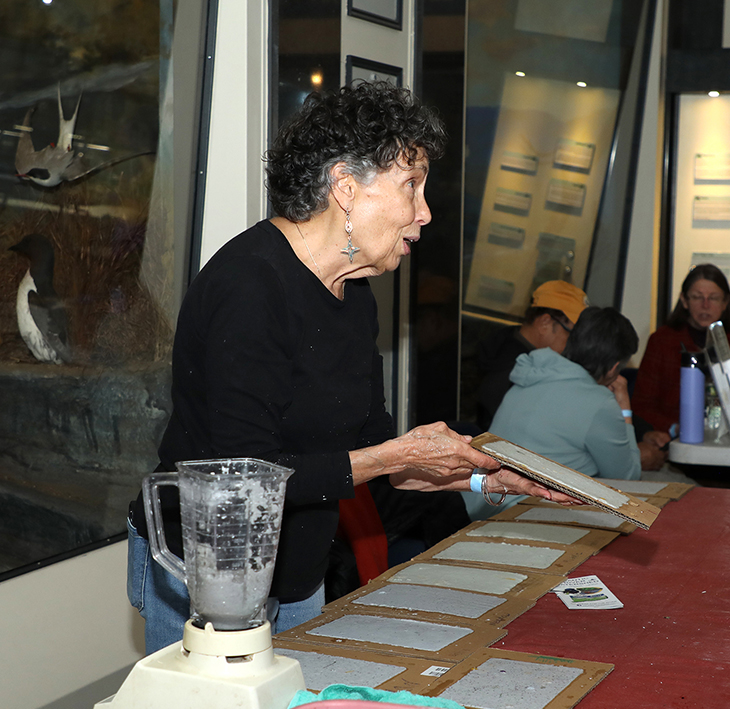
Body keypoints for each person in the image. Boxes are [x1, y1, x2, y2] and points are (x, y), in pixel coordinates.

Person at [128, 82, 571, 654]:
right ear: (345, 187)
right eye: (411, 186)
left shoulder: (353, 292)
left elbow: (372, 458)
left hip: (299, 572)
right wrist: (400, 453)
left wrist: (482, 475)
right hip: (207, 576)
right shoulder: (249, 287)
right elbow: (246, 476)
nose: (425, 213)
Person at [463, 306, 642, 521]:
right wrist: (625, 409)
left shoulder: (530, 374)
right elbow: (627, 478)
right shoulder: (600, 403)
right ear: (613, 369)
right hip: (525, 514)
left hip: (478, 502)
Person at [631, 263, 730, 434]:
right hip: (674, 435)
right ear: (684, 300)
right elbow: (642, 405)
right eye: (697, 297)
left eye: (713, 298)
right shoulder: (662, 340)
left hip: (729, 431)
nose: (705, 306)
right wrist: (672, 428)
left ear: (725, 303)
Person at [474, 280, 589, 430]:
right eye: (572, 334)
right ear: (544, 323)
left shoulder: (499, 343)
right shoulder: (520, 374)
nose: (576, 343)